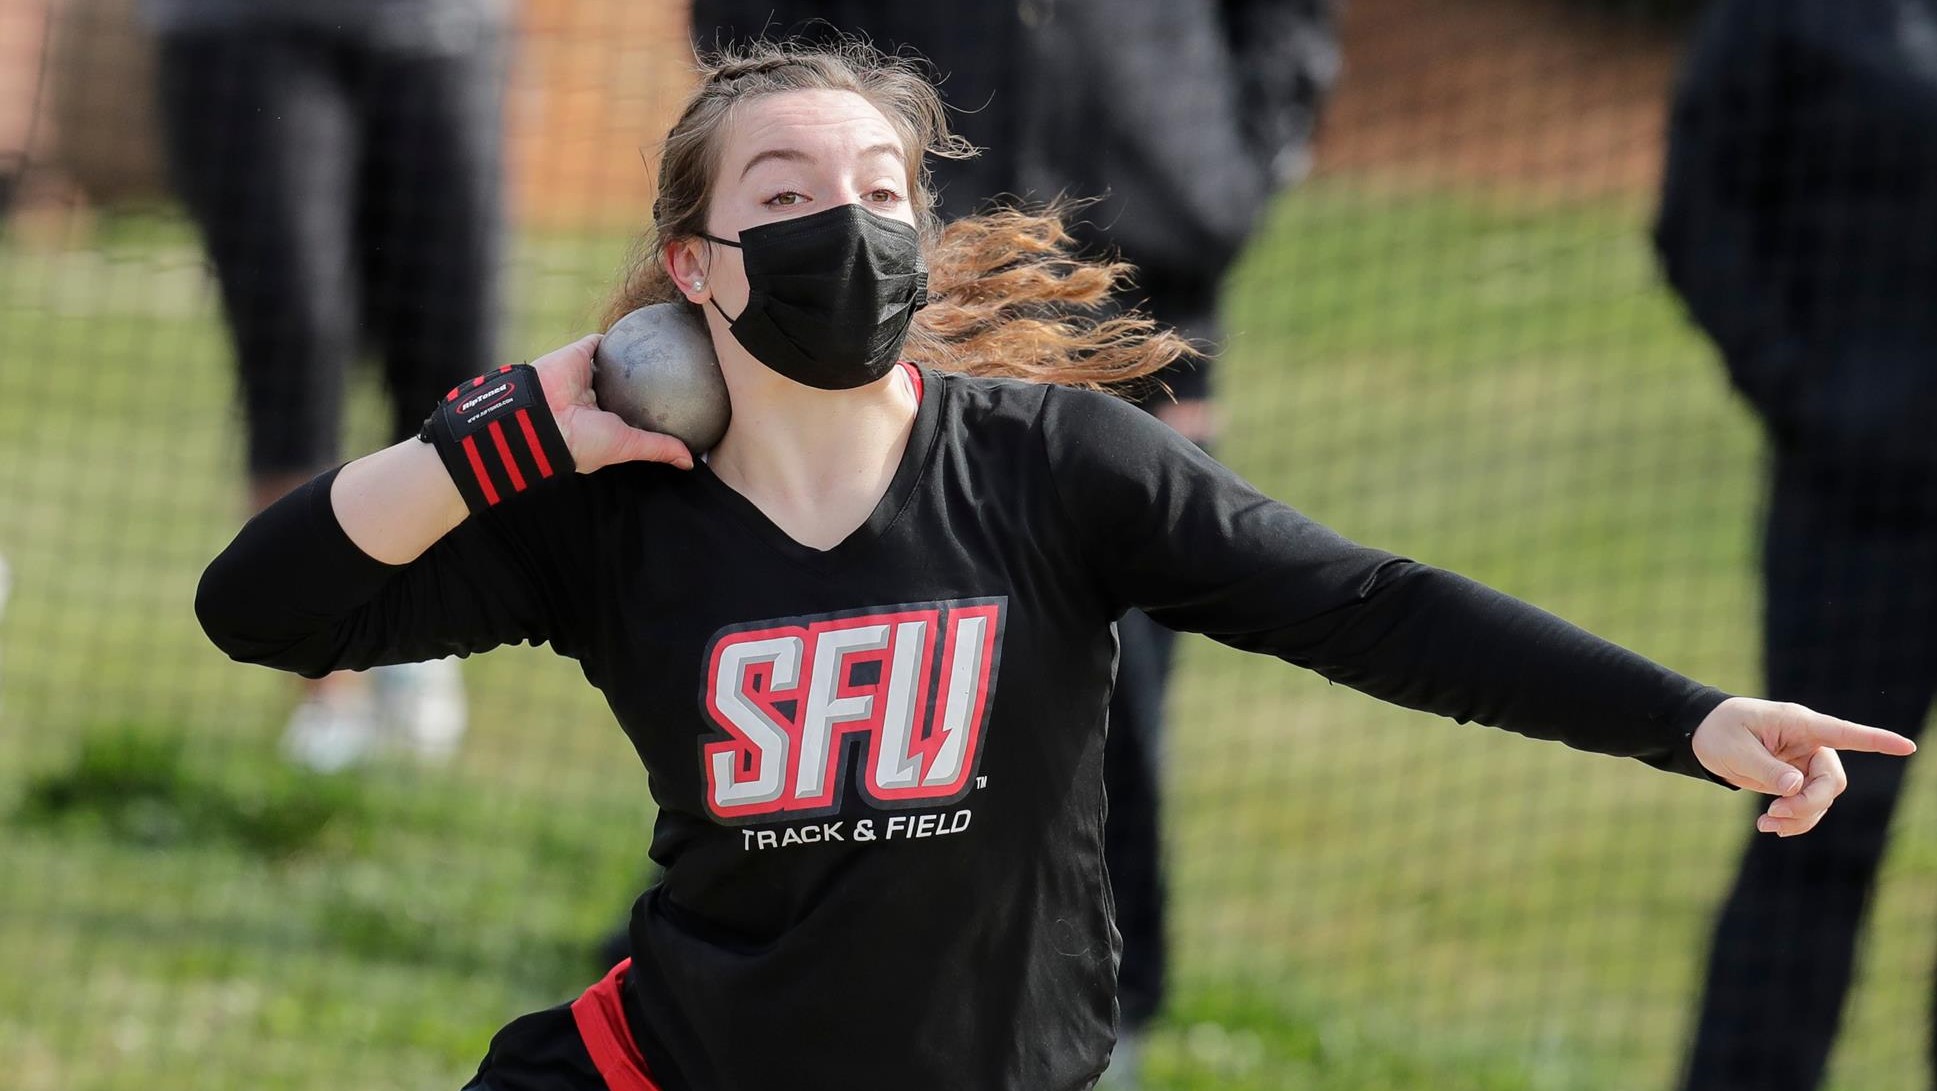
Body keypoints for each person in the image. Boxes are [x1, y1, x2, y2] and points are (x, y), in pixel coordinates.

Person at [196, 41, 1915, 1091]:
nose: (845, 221)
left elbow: (1370, 606)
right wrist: (501, 439)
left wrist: (1685, 718)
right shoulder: (614, 513)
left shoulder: (1049, 467)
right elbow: (260, 610)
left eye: (880, 185)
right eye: (785, 191)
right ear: (697, 263)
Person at [685, 8, 1341, 1072]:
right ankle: (795, 970)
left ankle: (1097, 1014)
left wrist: (1220, 165)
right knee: (848, 639)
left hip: (1140, 260)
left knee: (1107, 679)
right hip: (885, 263)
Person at [1655, 2, 1937, 1087]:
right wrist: (1813, 398)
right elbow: (1698, 212)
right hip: (1857, 501)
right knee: (1814, 811)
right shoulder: (1786, 16)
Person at [147, 0, 513, 769]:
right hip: (241, 31)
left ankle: (421, 651)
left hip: (443, 29)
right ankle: (326, 698)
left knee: (456, 356)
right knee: (296, 334)